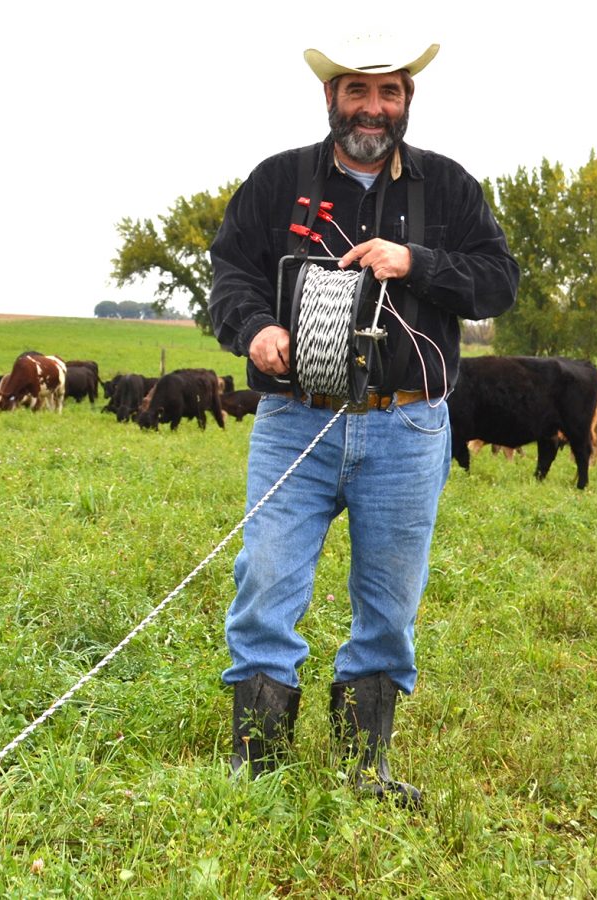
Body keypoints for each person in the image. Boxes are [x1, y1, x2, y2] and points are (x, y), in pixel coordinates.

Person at [208, 36, 519, 806]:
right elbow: (231, 272)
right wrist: (255, 328)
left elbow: (498, 282)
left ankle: (365, 771)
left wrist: (416, 262)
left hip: (407, 427)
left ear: (407, 100)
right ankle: (257, 769)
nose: (372, 109)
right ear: (330, 98)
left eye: (388, 92)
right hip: (294, 419)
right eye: (357, 91)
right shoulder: (277, 181)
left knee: (390, 603)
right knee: (266, 579)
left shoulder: (450, 189)